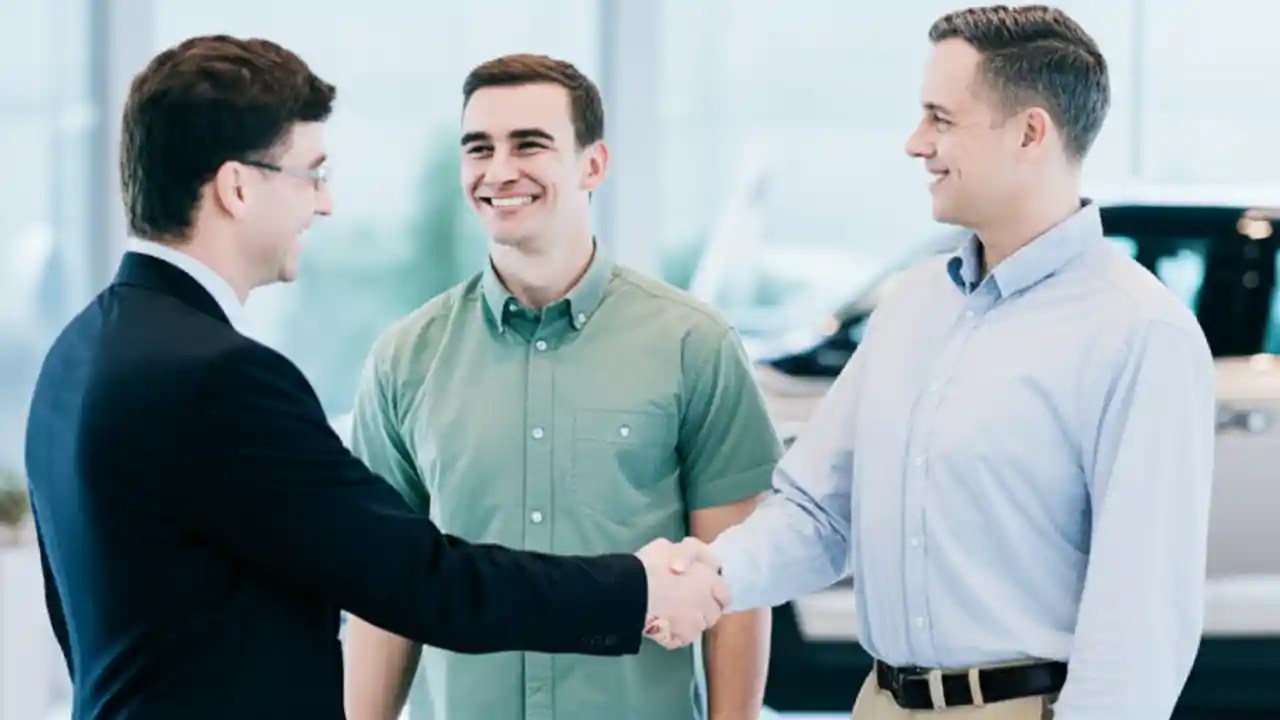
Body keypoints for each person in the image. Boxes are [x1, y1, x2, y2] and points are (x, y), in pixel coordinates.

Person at [23, 35, 729, 720]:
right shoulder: (222, 378)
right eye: (312, 174)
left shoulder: (78, 353)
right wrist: (636, 591)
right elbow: (419, 580)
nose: (325, 203)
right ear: (237, 187)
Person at [681, 5, 1215, 719]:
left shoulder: (1139, 332)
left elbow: (1139, 618)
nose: (915, 143)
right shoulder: (912, 304)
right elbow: (818, 514)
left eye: (941, 118)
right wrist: (708, 574)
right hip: (881, 701)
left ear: (1030, 133)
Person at [340, 54, 779, 720]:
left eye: (529, 145)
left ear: (592, 165)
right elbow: (382, 589)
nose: (498, 171)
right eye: (479, 148)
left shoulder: (694, 344)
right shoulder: (405, 360)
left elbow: (736, 587)